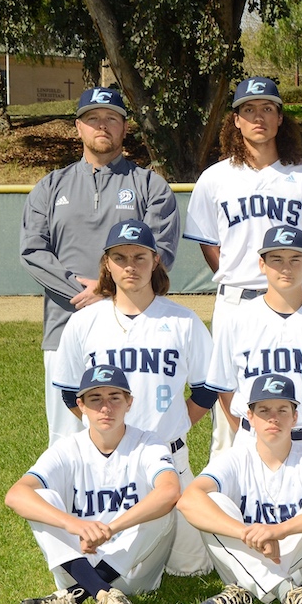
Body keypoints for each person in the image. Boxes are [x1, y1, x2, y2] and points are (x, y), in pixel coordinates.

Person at [51, 220, 215, 576]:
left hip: (169, 459)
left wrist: (175, 422)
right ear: (107, 264)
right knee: (117, 565)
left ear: (155, 261)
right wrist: (107, 429)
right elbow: (69, 392)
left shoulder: (183, 321)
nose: (130, 266)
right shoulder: (85, 322)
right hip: (108, 464)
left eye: (140, 257)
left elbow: (206, 391)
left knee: (194, 568)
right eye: (120, 257)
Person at [20, 86, 180, 445]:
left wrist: (108, 291)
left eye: (112, 118)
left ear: (125, 127)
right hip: (65, 327)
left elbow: (161, 253)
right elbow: (33, 251)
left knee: (133, 438)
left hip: (132, 335)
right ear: (78, 127)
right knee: (66, 442)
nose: (102, 125)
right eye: (92, 118)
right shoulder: (50, 186)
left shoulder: (151, 186)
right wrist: (85, 291)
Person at [184, 77, 302, 453]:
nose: (258, 117)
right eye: (248, 110)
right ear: (235, 120)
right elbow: (210, 244)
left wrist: (293, 286)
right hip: (235, 300)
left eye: (267, 109)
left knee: (292, 399)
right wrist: (238, 277)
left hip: (292, 304)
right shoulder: (215, 178)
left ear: (281, 117)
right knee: (229, 417)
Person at [177, 374, 302, 604]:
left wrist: (280, 531)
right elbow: (188, 500)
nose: (273, 418)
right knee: (213, 502)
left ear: (295, 417)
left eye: (282, 410)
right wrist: (245, 533)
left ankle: (247, 588)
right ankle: (287, 591)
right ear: (250, 417)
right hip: (255, 554)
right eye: (264, 410)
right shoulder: (236, 458)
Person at [6, 365, 180, 604]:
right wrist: (76, 526)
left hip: (134, 570)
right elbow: (15, 494)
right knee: (40, 497)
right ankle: (103, 595)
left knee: (164, 509)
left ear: (129, 402)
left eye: (114, 398)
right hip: (76, 564)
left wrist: (110, 529)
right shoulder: (67, 449)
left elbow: (169, 490)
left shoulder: (147, 443)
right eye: (95, 399)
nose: (106, 408)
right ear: (81, 405)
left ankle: (74, 596)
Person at [206, 225, 302, 459]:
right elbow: (225, 389)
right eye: (277, 259)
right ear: (262, 264)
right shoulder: (237, 321)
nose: (286, 268)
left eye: (295, 260)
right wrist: (249, 431)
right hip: (253, 444)